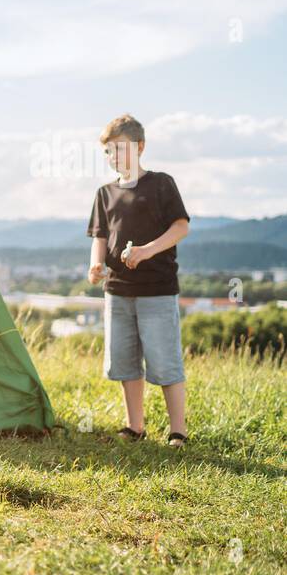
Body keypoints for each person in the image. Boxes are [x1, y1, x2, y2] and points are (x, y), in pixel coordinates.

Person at [87, 113, 191, 446]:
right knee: (125, 362)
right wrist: (95, 266)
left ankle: (178, 431)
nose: (114, 157)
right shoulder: (104, 193)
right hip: (117, 292)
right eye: (108, 152)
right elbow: (100, 237)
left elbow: (180, 227)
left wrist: (147, 250)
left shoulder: (162, 183)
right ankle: (135, 427)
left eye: (120, 149)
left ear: (140, 146)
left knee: (164, 361)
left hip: (157, 291)